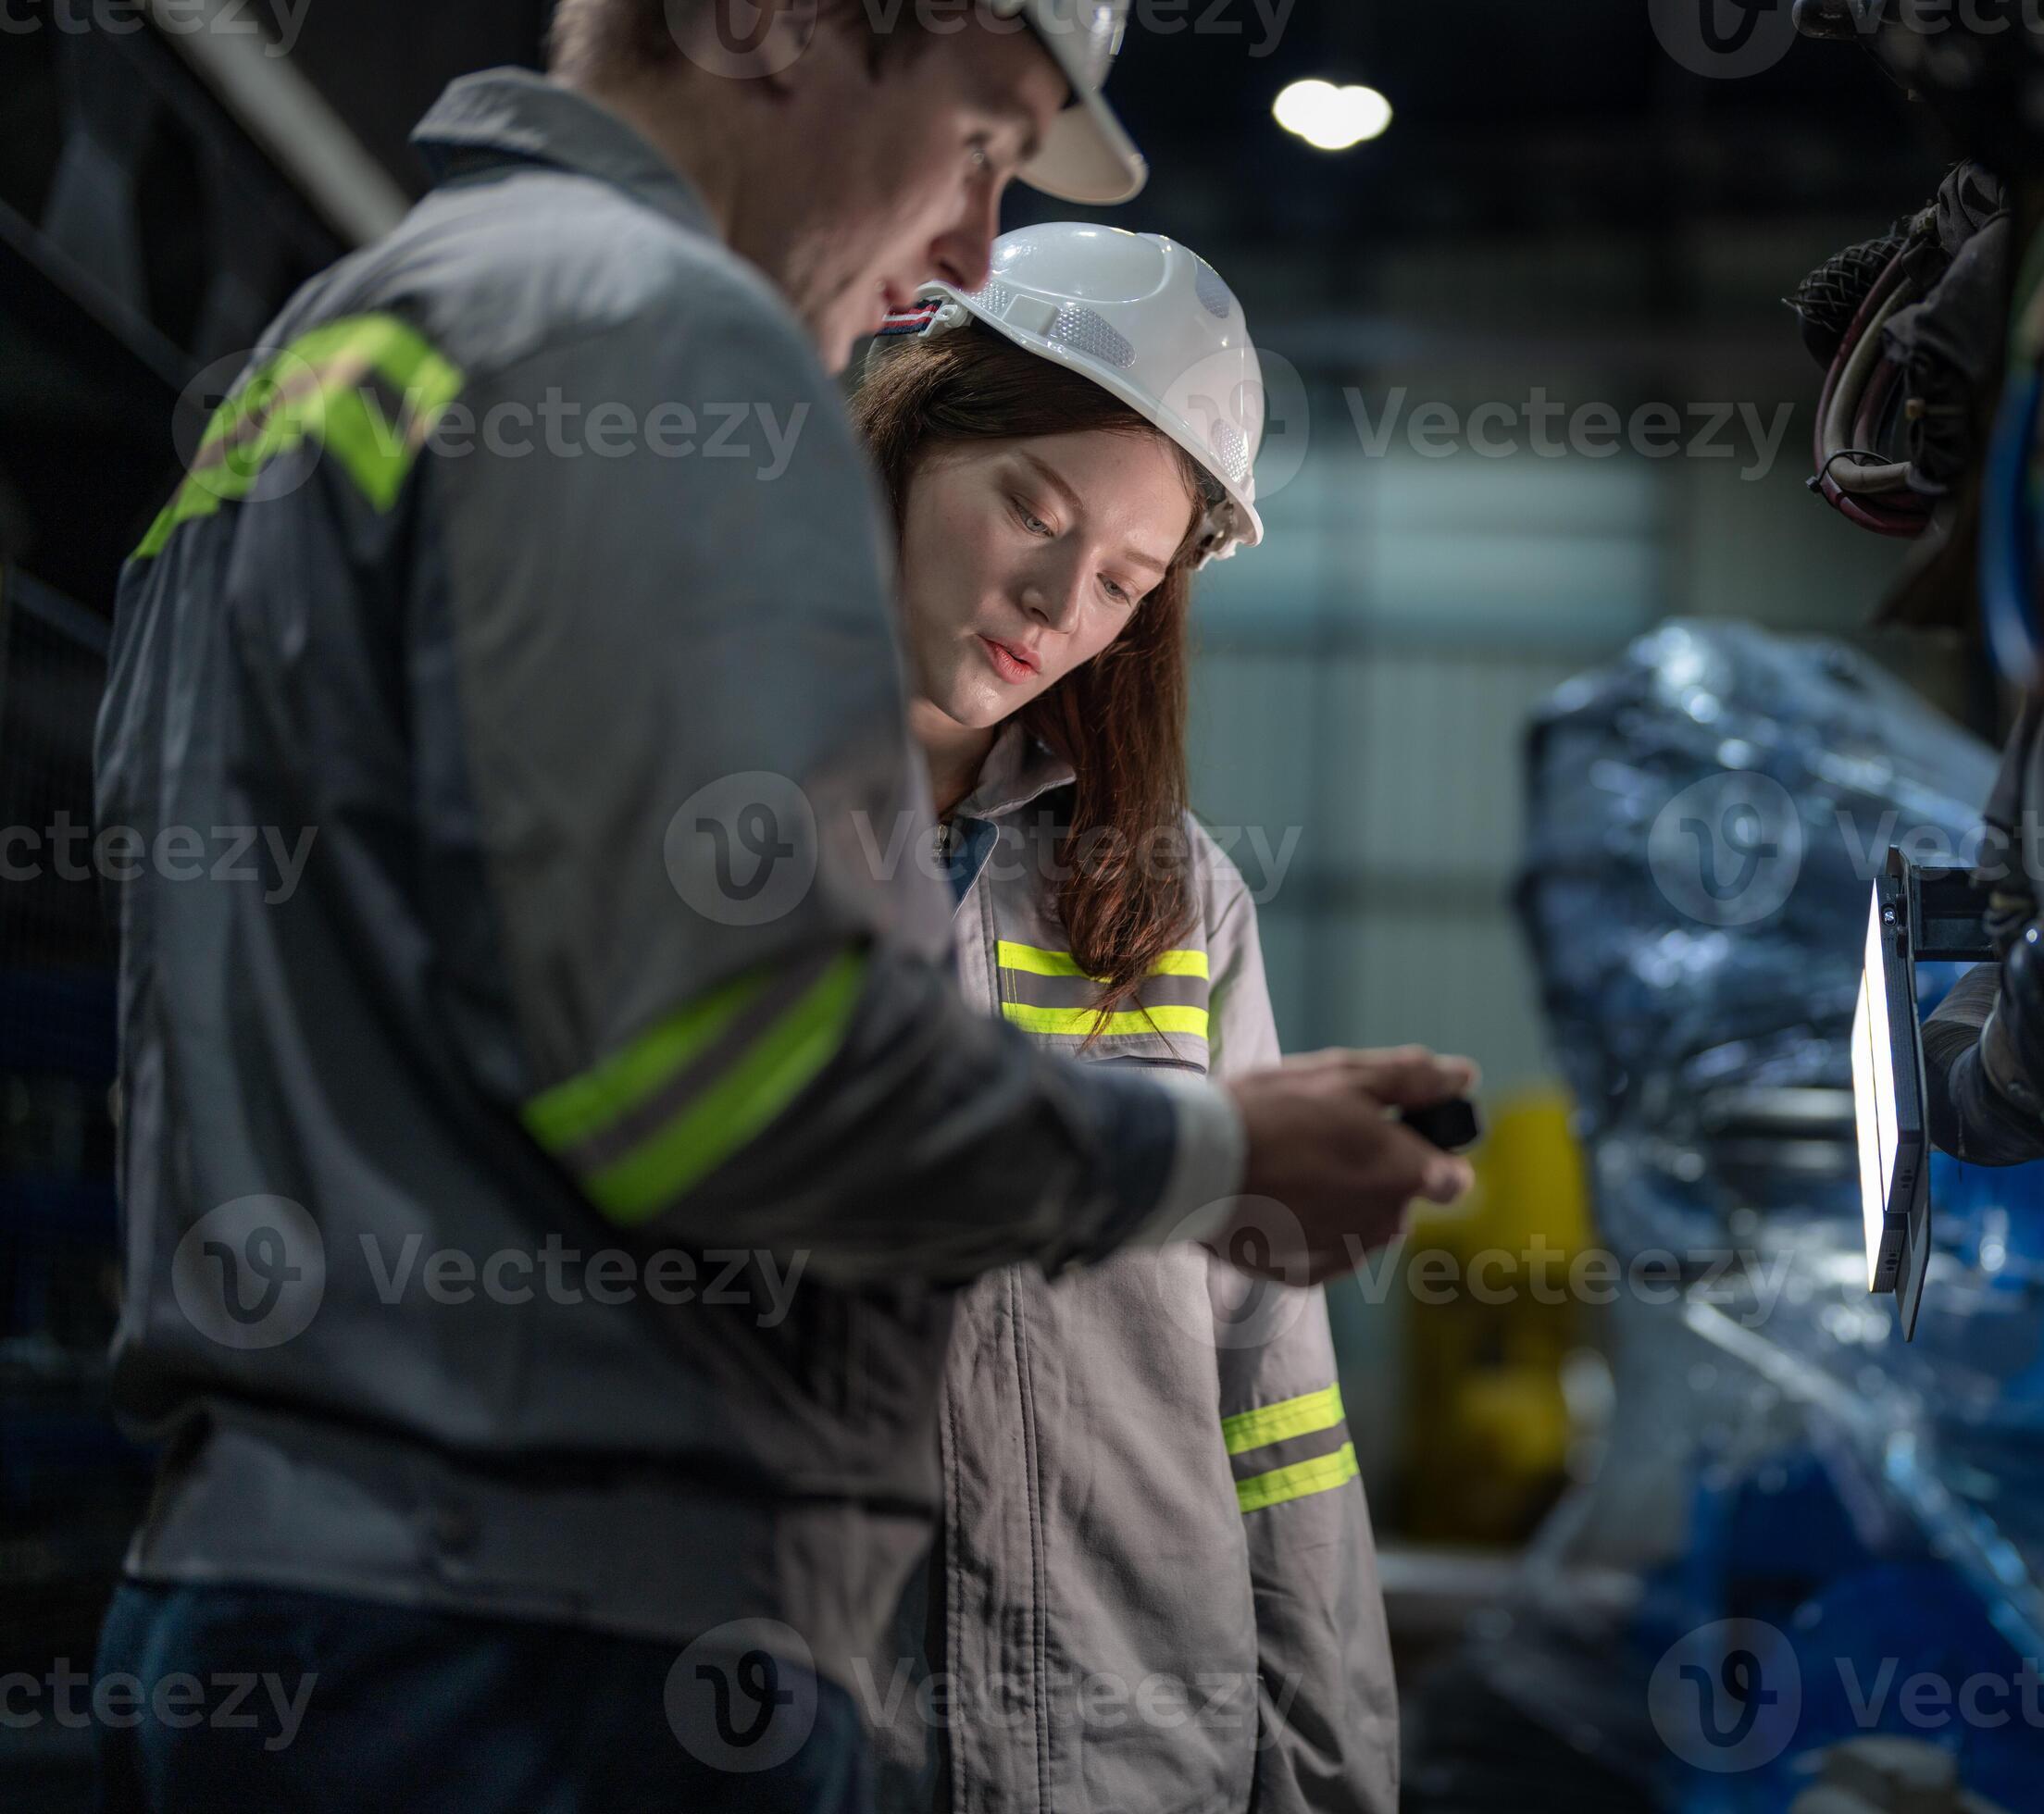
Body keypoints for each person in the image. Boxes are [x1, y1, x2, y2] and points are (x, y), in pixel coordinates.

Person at [90, 5, 1470, 1808]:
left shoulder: (315, 367)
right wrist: (1209, 1152)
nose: (972, 247)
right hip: (535, 1649)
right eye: (981, 140)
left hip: (277, 1587)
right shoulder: (650, 345)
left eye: (1129, 572)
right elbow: (725, 1070)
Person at [853, 225, 1402, 1813]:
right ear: (907, 424)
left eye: (1123, 578)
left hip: (1131, 1763)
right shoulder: (710, 825)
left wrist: (1323, 1772)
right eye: (1033, 503)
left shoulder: (1169, 897)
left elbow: (1274, 1385)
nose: (1056, 601)